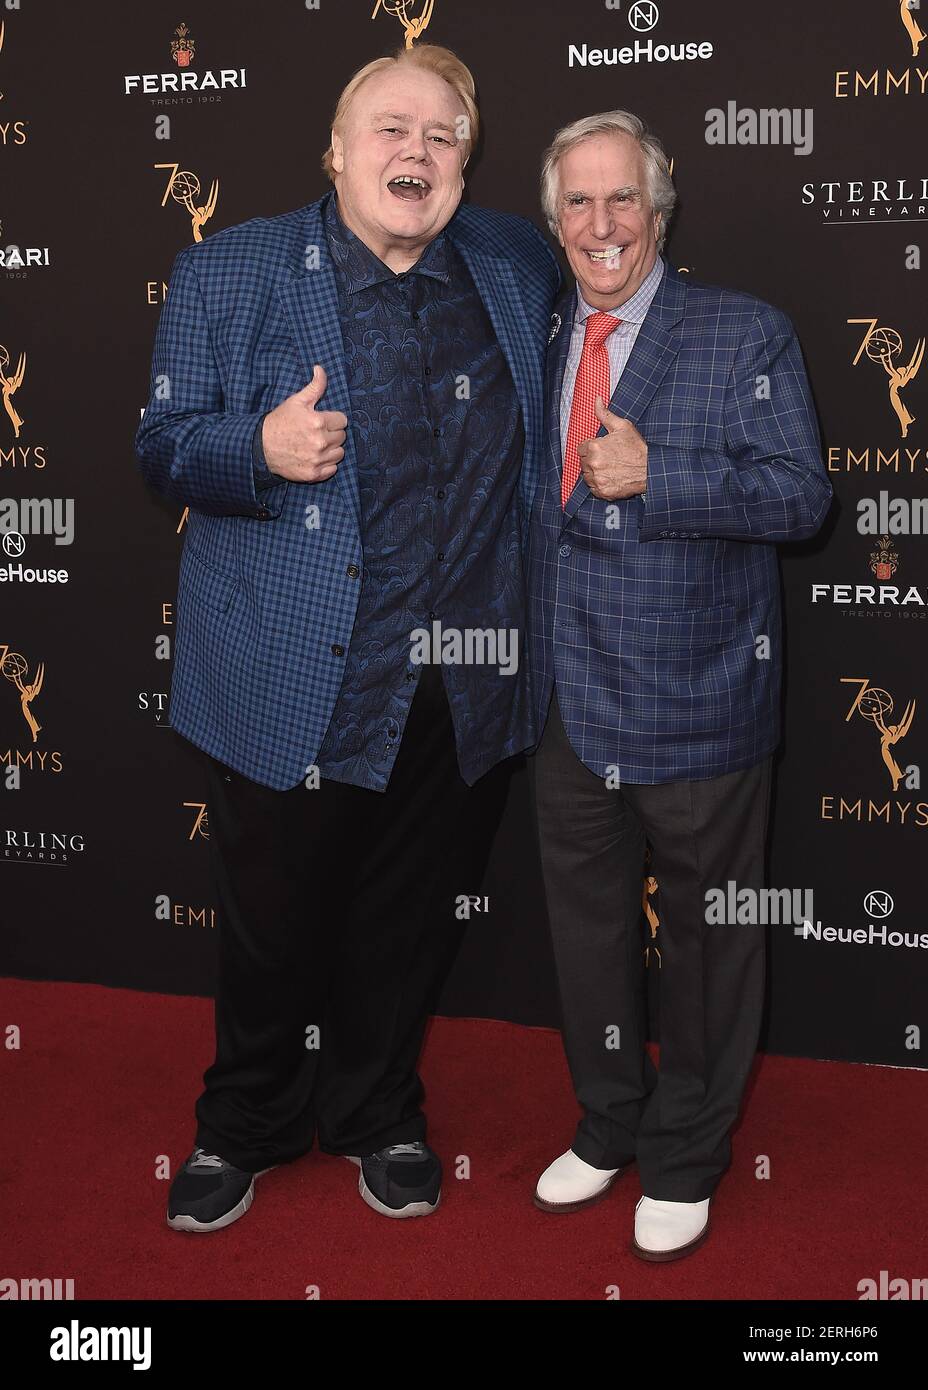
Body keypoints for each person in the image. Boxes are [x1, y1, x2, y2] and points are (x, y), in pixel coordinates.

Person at [135, 42, 559, 1232]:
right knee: (273, 929)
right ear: (333, 152)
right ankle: (247, 1122)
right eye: (389, 128)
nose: (413, 151)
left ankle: (378, 1112)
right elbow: (160, 448)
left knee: (408, 919)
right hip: (290, 672)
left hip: (460, 681)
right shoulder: (228, 271)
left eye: (441, 136)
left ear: (467, 171)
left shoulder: (517, 266)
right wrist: (254, 454)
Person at [526, 110, 832, 1261]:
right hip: (564, 702)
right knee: (588, 931)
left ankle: (689, 1150)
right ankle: (609, 1122)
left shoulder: (741, 331)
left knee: (708, 940)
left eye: (622, 201)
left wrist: (665, 474)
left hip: (700, 695)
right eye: (577, 203)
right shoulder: (541, 326)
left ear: (659, 211)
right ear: (553, 218)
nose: (600, 225)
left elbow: (800, 497)